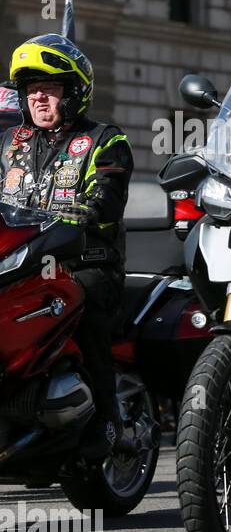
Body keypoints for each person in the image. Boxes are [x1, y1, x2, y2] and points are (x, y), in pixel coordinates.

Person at [1, 34, 133, 458]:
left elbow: (108, 197)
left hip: (84, 262)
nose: (39, 97)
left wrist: (90, 208)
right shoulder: (9, 144)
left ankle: (107, 421)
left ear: (74, 93)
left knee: (84, 301)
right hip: (20, 261)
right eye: (31, 89)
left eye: (50, 88)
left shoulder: (103, 140)